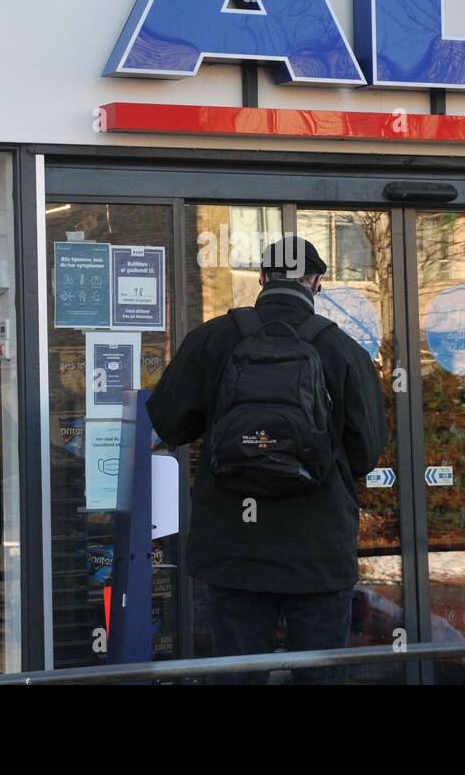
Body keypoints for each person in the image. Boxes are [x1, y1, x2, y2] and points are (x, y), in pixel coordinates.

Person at [147, 235, 385, 684]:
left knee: (239, 675)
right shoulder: (343, 351)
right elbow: (366, 452)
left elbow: (170, 423)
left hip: (235, 548)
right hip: (318, 550)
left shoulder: (213, 339)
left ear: (261, 278)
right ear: (315, 282)